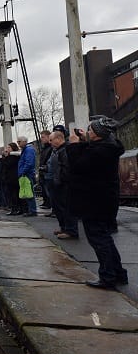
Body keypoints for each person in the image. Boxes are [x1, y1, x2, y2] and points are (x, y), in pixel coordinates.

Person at [67, 117, 128, 289]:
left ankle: (108, 277)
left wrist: (73, 145)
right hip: (102, 200)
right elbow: (89, 154)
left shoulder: (100, 152)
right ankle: (118, 273)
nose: (88, 132)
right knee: (104, 238)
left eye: (91, 131)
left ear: (99, 135)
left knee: (99, 239)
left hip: (94, 201)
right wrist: (83, 141)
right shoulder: (107, 148)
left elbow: (78, 165)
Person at [49, 127, 77, 239]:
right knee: (59, 207)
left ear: (58, 139)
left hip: (64, 184)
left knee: (66, 208)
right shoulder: (57, 151)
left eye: (51, 140)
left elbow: (66, 168)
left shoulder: (64, 150)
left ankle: (71, 230)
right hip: (57, 182)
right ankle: (64, 227)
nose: (50, 143)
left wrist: (62, 179)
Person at [17, 136, 38, 217]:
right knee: (27, 192)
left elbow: (29, 162)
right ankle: (31, 210)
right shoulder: (25, 150)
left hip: (27, 174)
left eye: (19, 142)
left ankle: (32, 210)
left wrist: (23, 172)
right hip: (25, 174)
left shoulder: (28, 150)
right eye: (18, 142)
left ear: (24, 141)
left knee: (29, 193)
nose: (18, 143)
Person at [2, 142, 22, 215]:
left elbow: (8, 165)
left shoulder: (14, 156)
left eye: (9, 147)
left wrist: (5, 157)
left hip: (13, 177)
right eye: (7, 147)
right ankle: (14, 208)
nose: (7, 149)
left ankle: (15, 208)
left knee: (14, 194)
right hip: (9, 177)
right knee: (11, 194)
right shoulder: (10, 156)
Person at [38, 130, 53, 209]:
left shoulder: (50, 148)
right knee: (45, 190)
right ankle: (47, 203)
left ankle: (51, 206)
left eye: (43, 137)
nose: (41, 139)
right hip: (43, 172)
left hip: (48, 172)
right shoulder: (44, 148)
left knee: (50, 192)